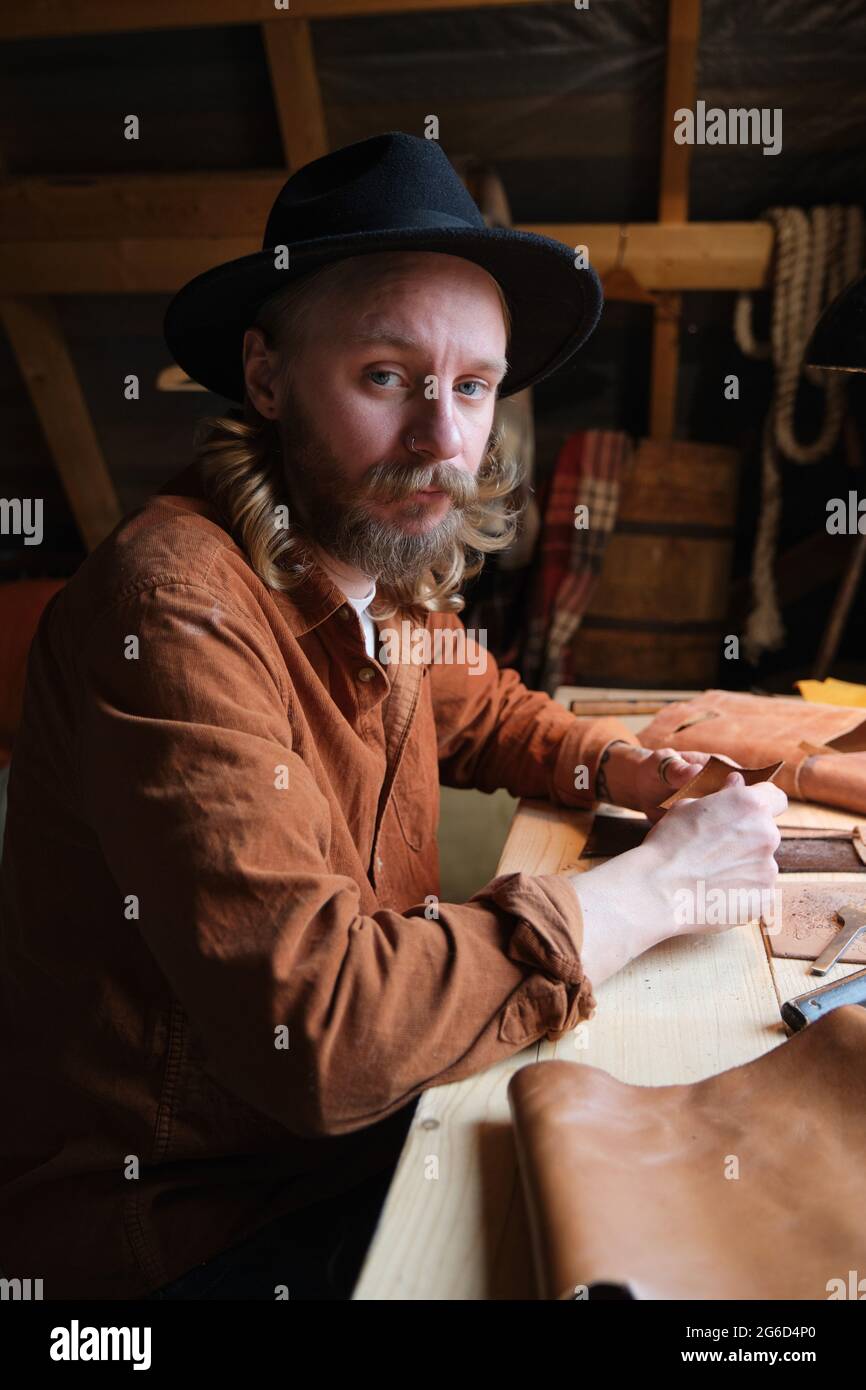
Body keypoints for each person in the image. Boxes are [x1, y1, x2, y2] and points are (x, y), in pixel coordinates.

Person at [0, 132, 784, 1301]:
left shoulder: (375, 574)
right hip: (181, 1231)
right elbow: (323, 1034)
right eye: (385, 376)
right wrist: (657, 887)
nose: (442, 439)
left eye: (471, 387)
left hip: (353, 1141)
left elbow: (492, 713)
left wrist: (622, 766)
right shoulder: (173, 610)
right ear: (265, 377)